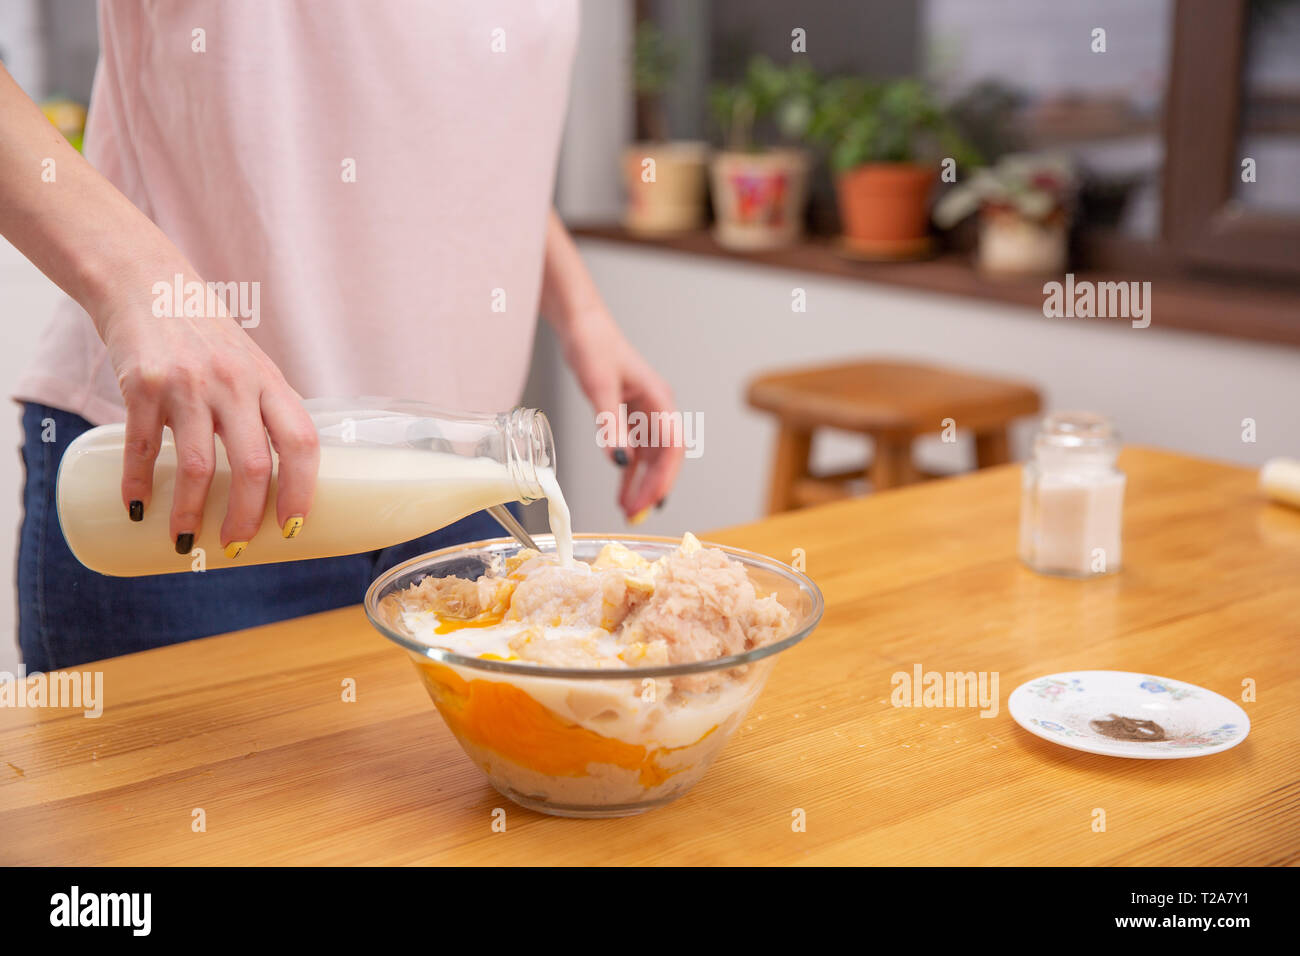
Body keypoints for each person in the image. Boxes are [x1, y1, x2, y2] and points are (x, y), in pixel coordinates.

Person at [1, 1, 682, 672]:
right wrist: (142, 286)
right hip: (206, 485)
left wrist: (580, 311)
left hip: (462, 485)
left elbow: (445, 128)